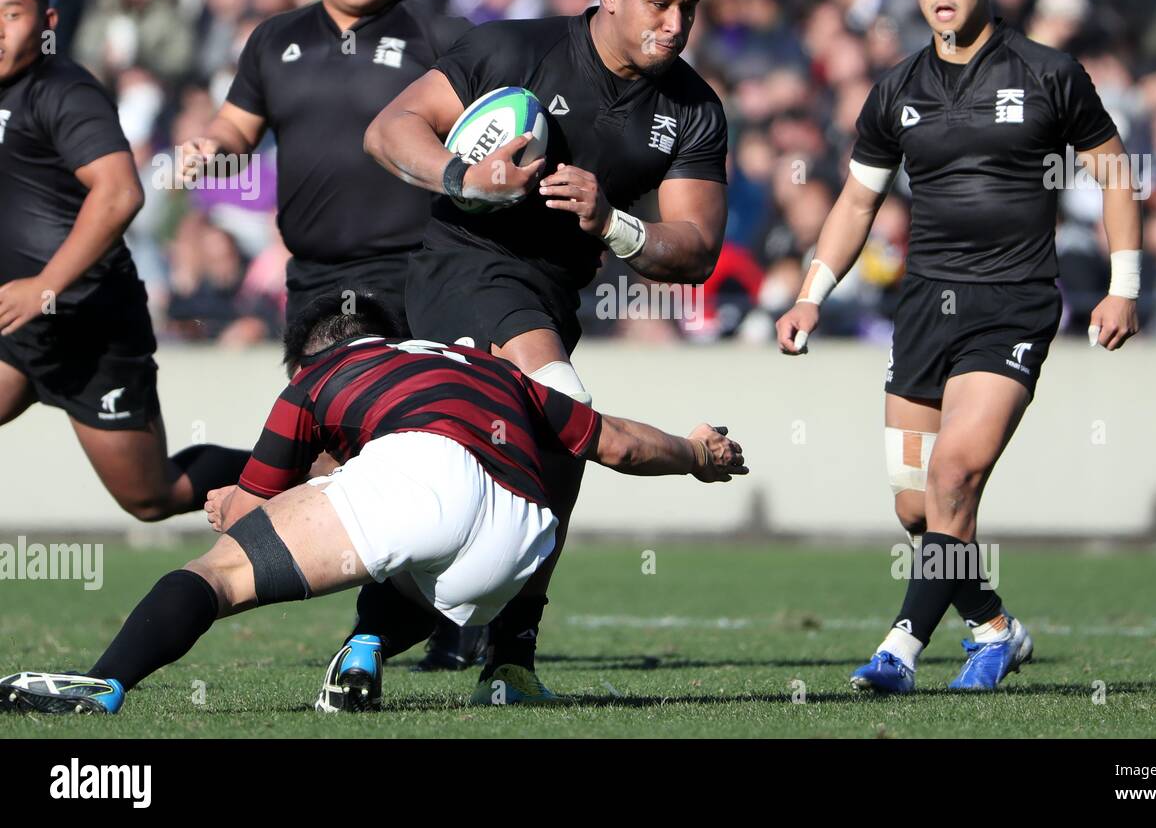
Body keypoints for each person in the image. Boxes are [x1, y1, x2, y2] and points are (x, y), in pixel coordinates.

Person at [0, 294, 745, 716]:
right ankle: (365, 651)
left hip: (424, 473)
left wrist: (232, 503)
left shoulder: (317, 379)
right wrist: (696, 455)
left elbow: (255, 507)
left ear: (309, 355)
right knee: (414, 559)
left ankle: (103, 684)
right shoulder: (491, 368)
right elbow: (613, 442)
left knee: (219, 576)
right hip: (519, 544)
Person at [775, 0, 1142, 693]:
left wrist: (1124, 284)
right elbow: (856, 202)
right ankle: (995, 628)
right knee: (918, 513)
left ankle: (900, 649)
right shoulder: (895, 88)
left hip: (1011, 306)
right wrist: (811, 293)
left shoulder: (1049, 73)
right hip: (923, 309)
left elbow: (1115, 172)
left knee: (953, 480)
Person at [362, 0, 730, 702]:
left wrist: (614, 223)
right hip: (463, 264)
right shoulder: (512, 47)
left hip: (553, 299)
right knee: (568, 415)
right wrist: (467, 176)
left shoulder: (693, 110)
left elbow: (696, 248)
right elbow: (392, 128)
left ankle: (428, 641)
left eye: (689, 9)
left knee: (508, 458)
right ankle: (495, 646)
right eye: (660, 5)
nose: (676, 25)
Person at [0, 0, 248, 521]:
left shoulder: (64, 92)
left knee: (151, 497)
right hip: (14, 330)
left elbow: (119, 193)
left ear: (48, 23)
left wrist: (43, 286)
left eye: (12, 12)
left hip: (87, 327)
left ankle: (306, 467)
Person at [178, 0, 469, 333]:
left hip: (418, 271)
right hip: (312, 276)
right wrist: (209, 150)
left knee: (395, 398)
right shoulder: (273, 40)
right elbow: (235, 129)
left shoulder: (442, 37)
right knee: (318, 401)